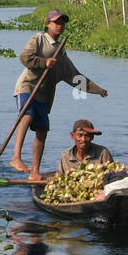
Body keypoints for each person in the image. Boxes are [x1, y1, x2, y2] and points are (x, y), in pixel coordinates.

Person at [10, 9, 108, 181]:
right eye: (56, 22)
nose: (60, 26)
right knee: (27, 115)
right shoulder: (39, 39)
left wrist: (98, 90)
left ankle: (35, 172)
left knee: (42, 131)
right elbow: (25, 57)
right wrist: (44, 62)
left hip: (44, 95)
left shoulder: (61, 53)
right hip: (28, 86)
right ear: (48, 24)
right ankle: (16, 157)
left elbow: (76, 77)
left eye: (62, 23)